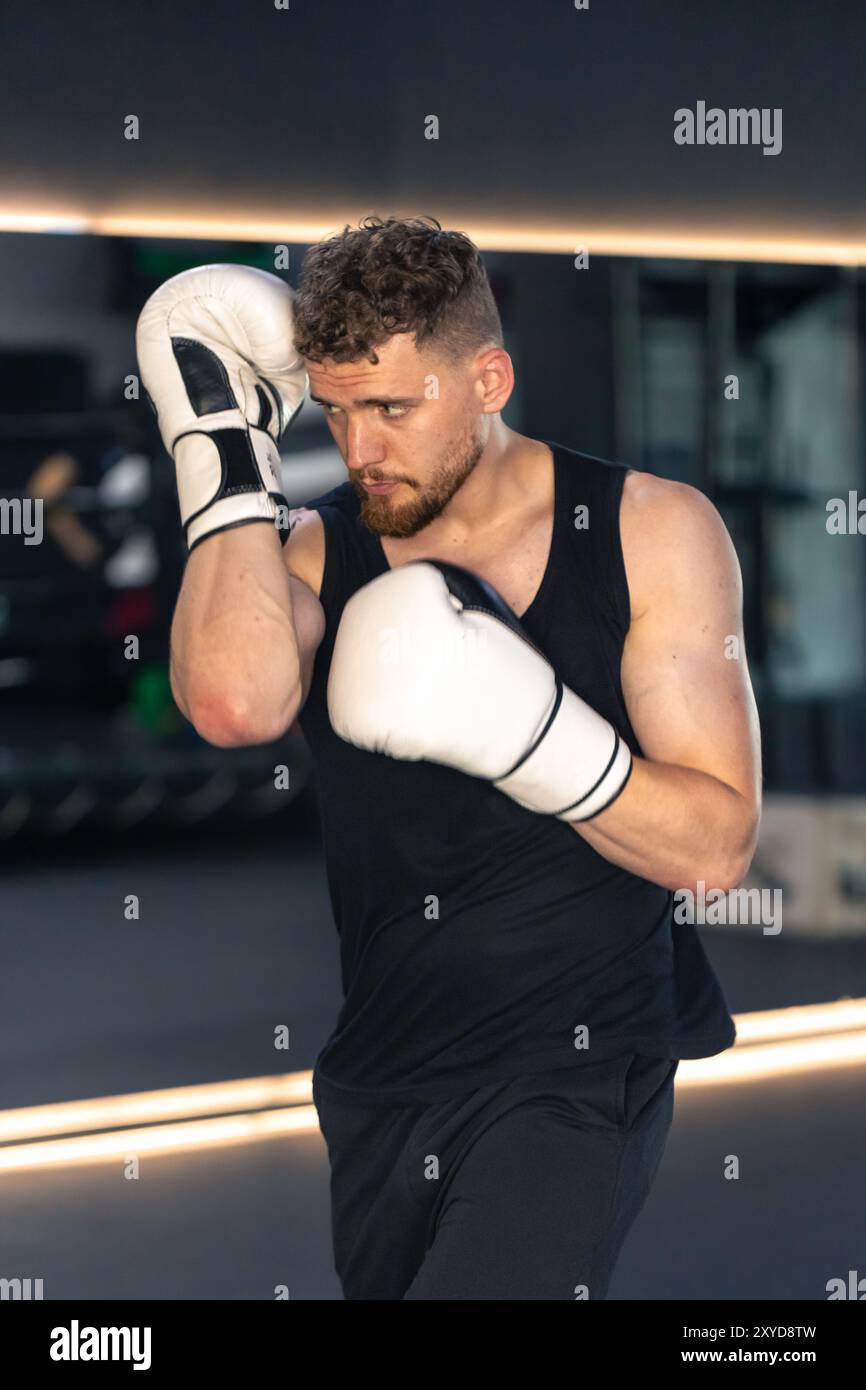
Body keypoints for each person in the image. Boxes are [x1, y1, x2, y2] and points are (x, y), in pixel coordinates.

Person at [136, 217, 761, 1300]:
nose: (360, 448)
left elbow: (714, 847)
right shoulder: (318, 546)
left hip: (579, 1062)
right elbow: (233, 701)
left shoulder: (647, 530)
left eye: (389, 407)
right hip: (384, 1067)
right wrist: (224, 454)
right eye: (333, 412)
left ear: (487, 376)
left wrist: (535, 735)